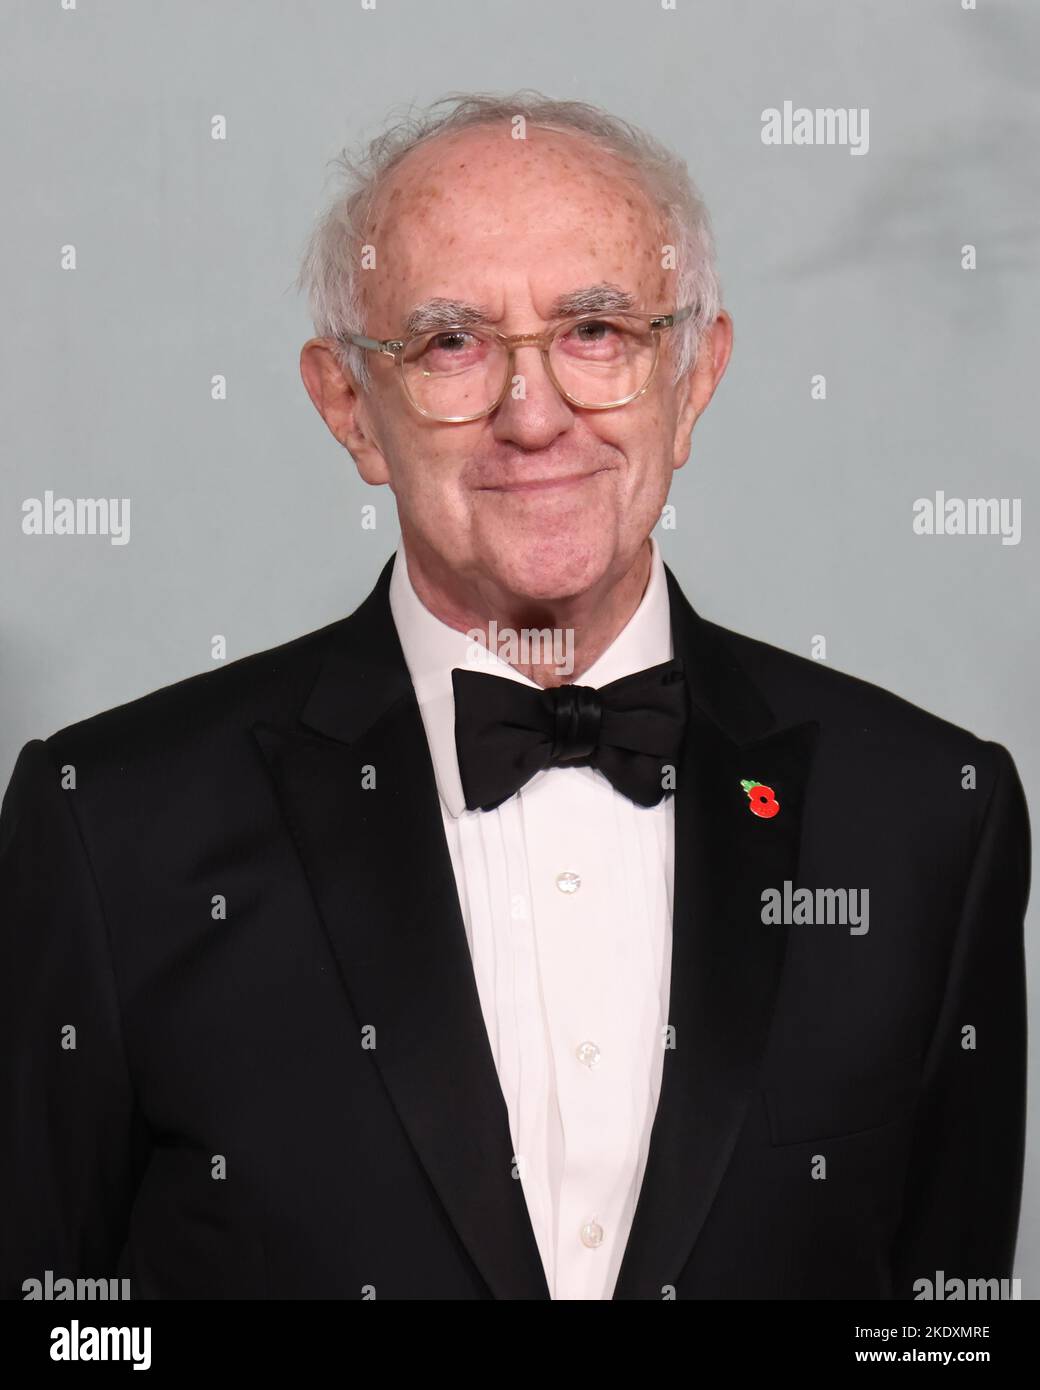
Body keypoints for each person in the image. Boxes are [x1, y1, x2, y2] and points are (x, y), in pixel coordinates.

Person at [0, 93, 1029, 1301]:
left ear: (692, 375)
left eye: (596, 329)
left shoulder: (926, 817)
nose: (532, 415)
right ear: (348, 408)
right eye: (451, 344)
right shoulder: (105, 825)